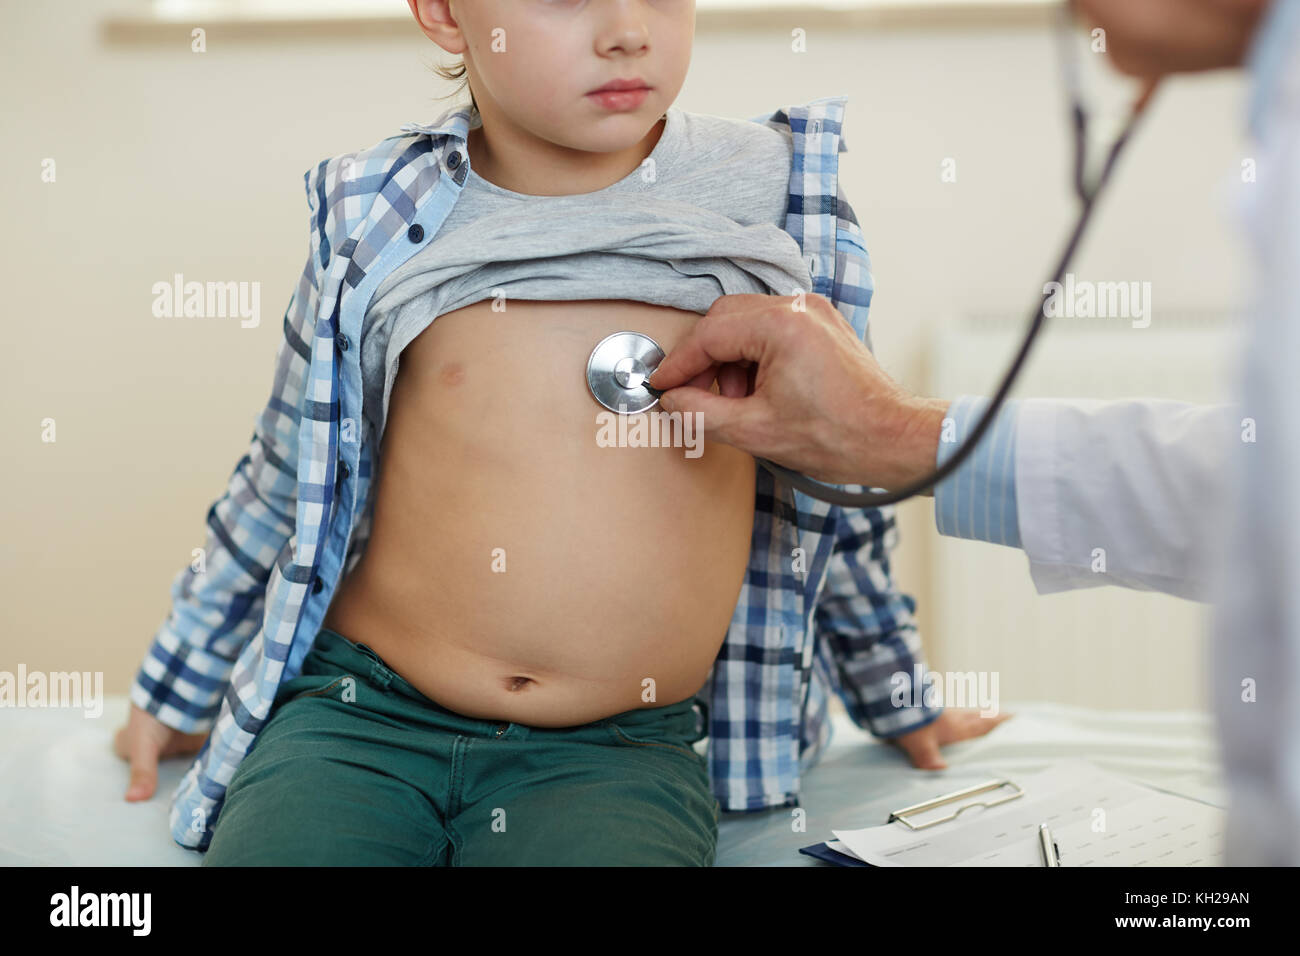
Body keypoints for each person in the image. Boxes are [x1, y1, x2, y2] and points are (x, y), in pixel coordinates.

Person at [115, 0, 1005, 865]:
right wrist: (177, 686)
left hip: (613, 751)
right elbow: (286, 473)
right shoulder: (378, 211)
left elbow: (831, 479)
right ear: (444, 13)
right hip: (362, 714)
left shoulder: (775, 195)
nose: (628, 31)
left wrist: (895, 692)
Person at [647, 0, 1298, 865]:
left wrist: (895, 692)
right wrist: (895, 435)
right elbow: (1260, 481)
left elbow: (808, 516)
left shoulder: (769, 191)